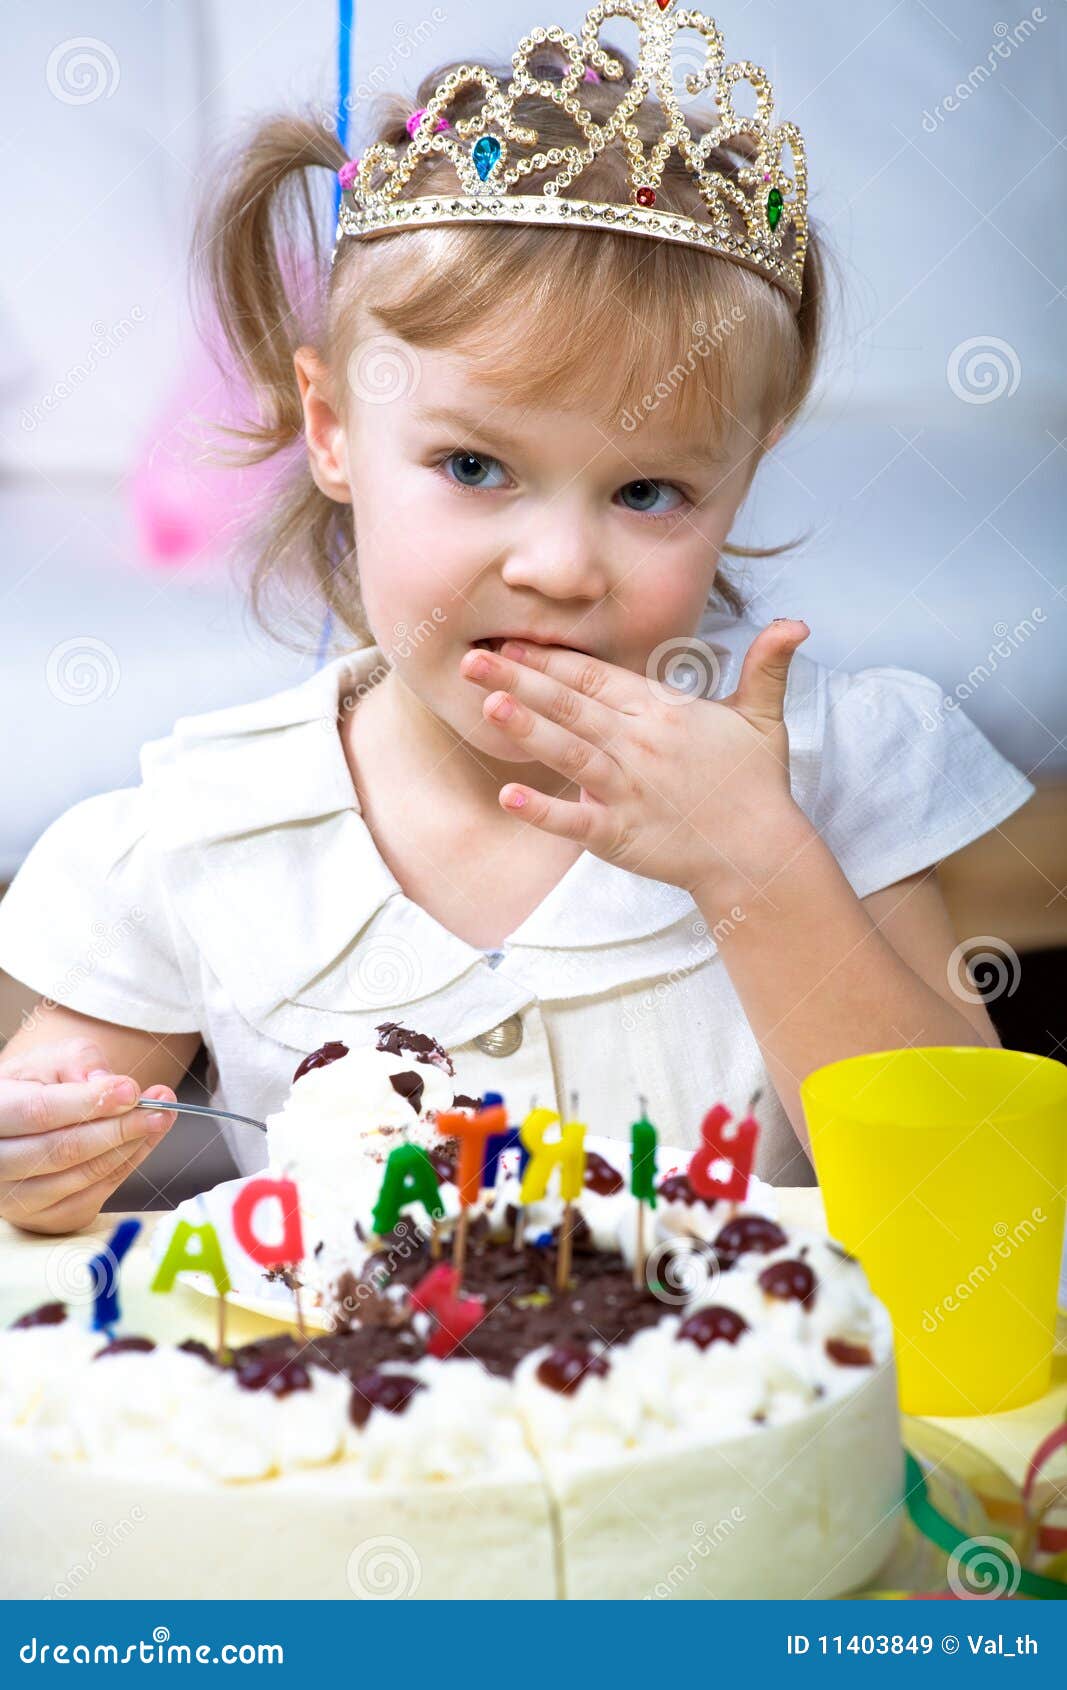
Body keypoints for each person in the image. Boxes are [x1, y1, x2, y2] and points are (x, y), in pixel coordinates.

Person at [0, 24, 1033, 1235]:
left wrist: (755, 866)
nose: (557, 567)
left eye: (647, 492)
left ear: (740, 481)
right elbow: (46, 1155)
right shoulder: (202, 834)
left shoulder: (826, 775)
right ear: (330, 430)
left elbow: (972, 1214)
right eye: (474, 464)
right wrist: (33, 1159)